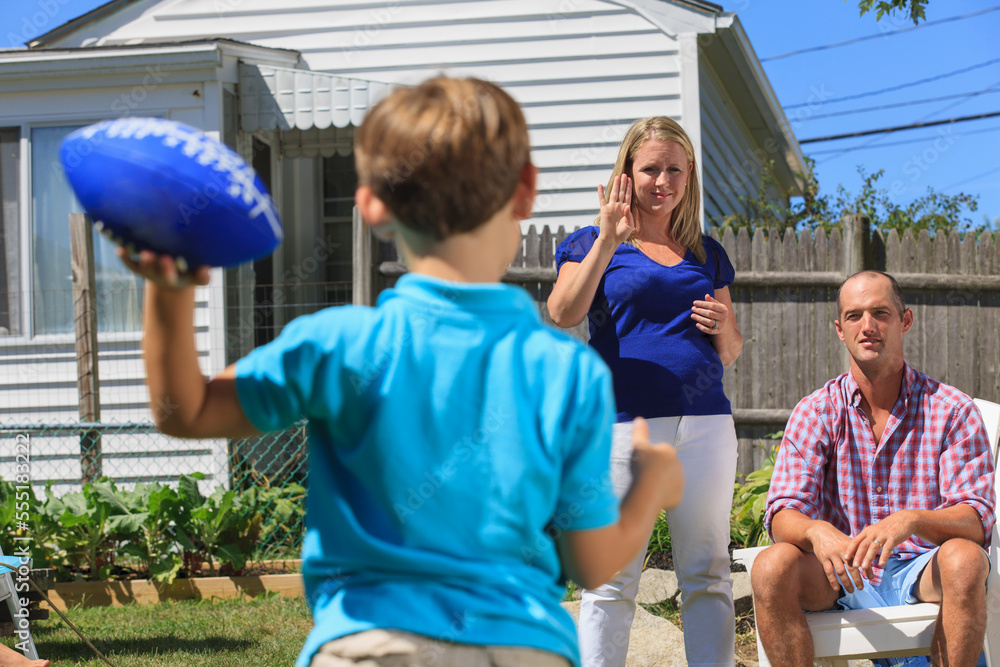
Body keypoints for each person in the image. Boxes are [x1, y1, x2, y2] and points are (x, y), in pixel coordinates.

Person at [120, 76, 685, 667]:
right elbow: (592, 563)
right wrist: (649, 485)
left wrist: (169, 289)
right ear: (524, 191)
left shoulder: (340, 345)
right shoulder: (568, 372)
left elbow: (185, 411)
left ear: (372, 205)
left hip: (371, 643)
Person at [547, 116, 743, 667]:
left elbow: (730, 349)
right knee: (611, 577)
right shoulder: (591, 243)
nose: (663, 181)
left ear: (689, 176)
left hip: (706, 425)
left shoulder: (705, 252)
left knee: (708, 571)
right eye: (650, 168)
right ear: (626, 173)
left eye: (674, 170)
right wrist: (609, 239)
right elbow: (563, 313)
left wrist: (722, 325)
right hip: (623, 426)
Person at [752, 270, 996, 667]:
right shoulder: (816, 411)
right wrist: (816, 531)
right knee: (770, 566)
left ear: (905, 321)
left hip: (923, 572)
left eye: (880, 313)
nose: (867, 326)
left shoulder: (951, 409)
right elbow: (782, 512)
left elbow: (976, 520)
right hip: (840, 576)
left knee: (966, 560)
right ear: (839, 329)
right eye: (854, 316)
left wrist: (910, 521)